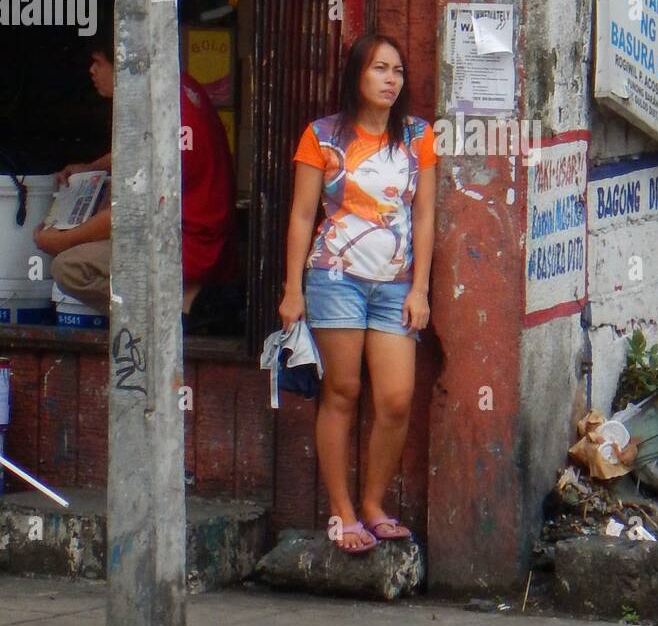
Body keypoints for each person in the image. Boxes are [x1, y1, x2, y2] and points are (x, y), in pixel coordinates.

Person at [280, 33, 436, 553]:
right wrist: (292, 290)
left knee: (395, 398)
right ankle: (342, 512)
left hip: (396, 287)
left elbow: (425, 214)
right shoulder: (321, 137)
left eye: (398, 71)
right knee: (342, 393)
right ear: (356, 76)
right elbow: (302, 216)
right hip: (334, 278)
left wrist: (421, 289)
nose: (392, 80)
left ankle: (373, 504)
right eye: (379, 69)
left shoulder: (418, 136)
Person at [34, 39, 238, 327]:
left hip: (187, 245)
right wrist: (92, 168)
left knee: (69, 267)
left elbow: (129, 212)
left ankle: (173, 317)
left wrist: (60, 240)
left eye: (98, 62)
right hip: (190, 234)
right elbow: (144, 151)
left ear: (123, 64)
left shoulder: (163, 108)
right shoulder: (174, 87)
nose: (91, 71)